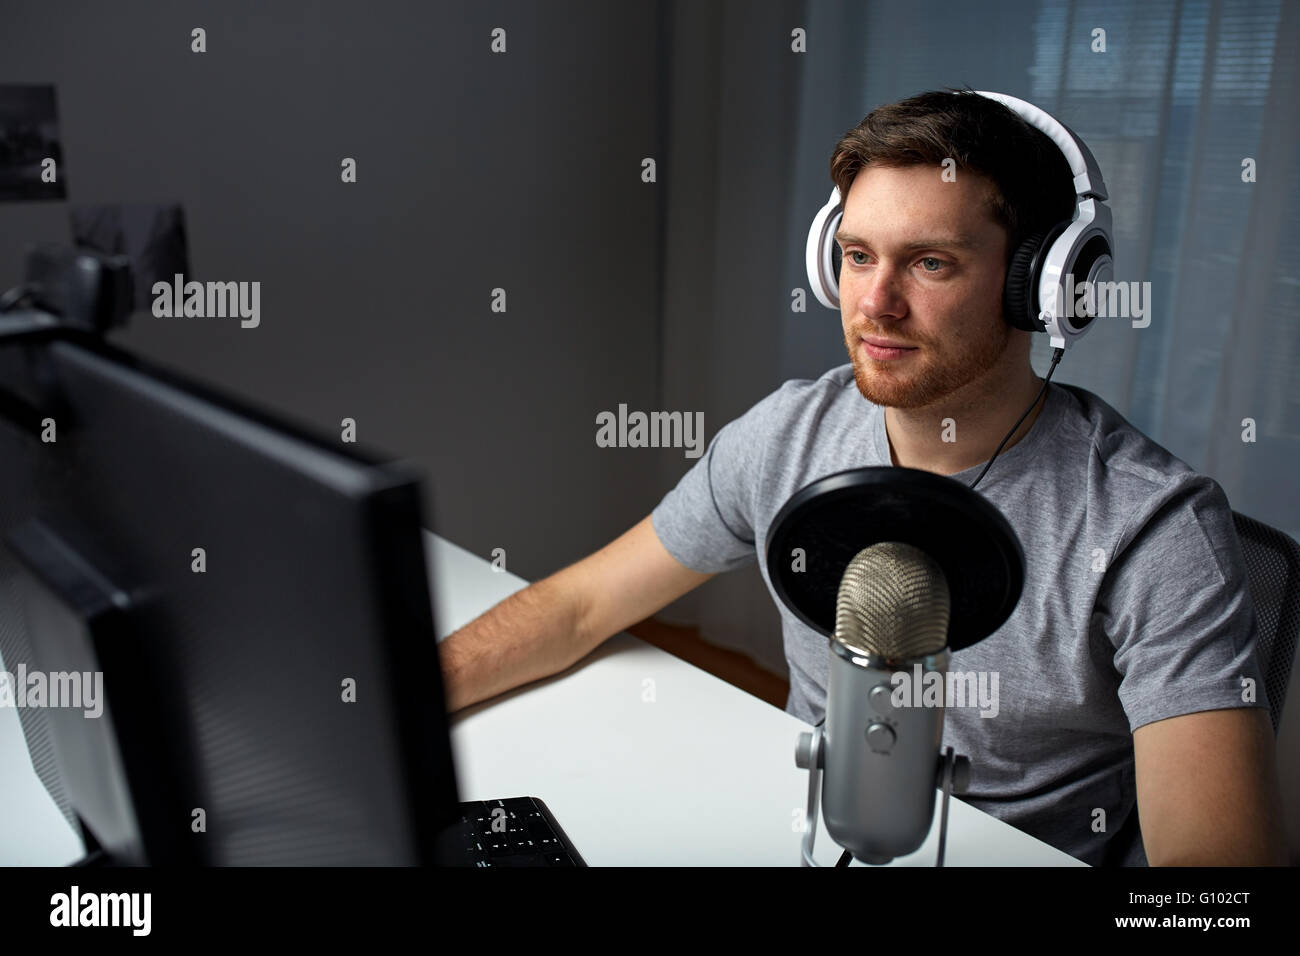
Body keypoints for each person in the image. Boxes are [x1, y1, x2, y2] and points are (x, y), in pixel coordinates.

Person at [438, 89, 1287, 867]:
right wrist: (396, 705)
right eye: (856, 255)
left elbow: (1216, 892)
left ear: (1042, 287)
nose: (873, 303)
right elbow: (580, 606)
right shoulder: (787, 436)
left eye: (930, 264)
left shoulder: (1154, 528)